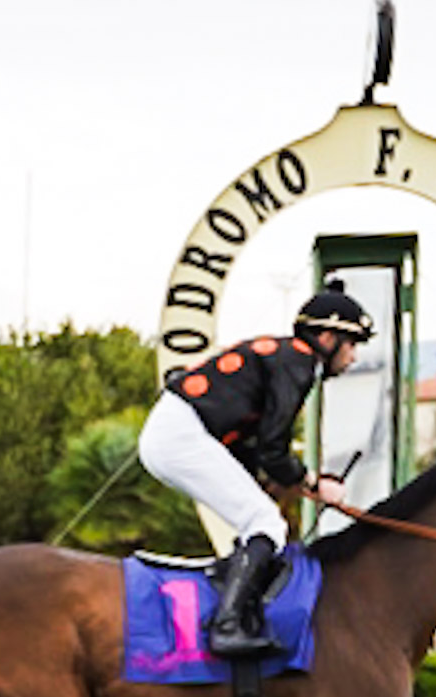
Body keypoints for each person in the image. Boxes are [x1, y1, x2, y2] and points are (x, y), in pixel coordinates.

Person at [138, 281, 374, 657]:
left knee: (257, 518)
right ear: (327, 338)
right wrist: (314, 484)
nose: (354, 356)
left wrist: (289, 481)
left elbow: (253, 449)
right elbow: (272, 447)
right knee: (265, 522)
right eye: (352, 344)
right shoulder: (300, 363)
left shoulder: (286, 356)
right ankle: (227, 626)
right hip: (180, 436)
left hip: (176, 431)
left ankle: (235, 607)